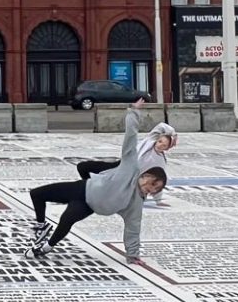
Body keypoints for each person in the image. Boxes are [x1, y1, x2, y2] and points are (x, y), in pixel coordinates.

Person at [30, 100, 166, 264]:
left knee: (67, 220)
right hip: (82, 189)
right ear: (145, 176)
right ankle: (41, 225)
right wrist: (134, 112)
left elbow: (133, 229)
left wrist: (132, 255)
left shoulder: (136, 203)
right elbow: (130, 137)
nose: (150, 190)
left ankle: (47, 247)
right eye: (152, 184)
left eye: (155, 190)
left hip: (89, 205)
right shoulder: (130, 167)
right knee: (36, 194)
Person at [75, 115, 176, 205]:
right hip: (120, 165)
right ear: (157, 140)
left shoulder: (160, 161)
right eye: (160, 141)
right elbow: (162, 126)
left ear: (167, 148)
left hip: (126, 180)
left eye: (164, 145)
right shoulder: (149, 141)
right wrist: (173, 134)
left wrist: (158, 200)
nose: (160, 145)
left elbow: (159, 180)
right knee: (82, 167)